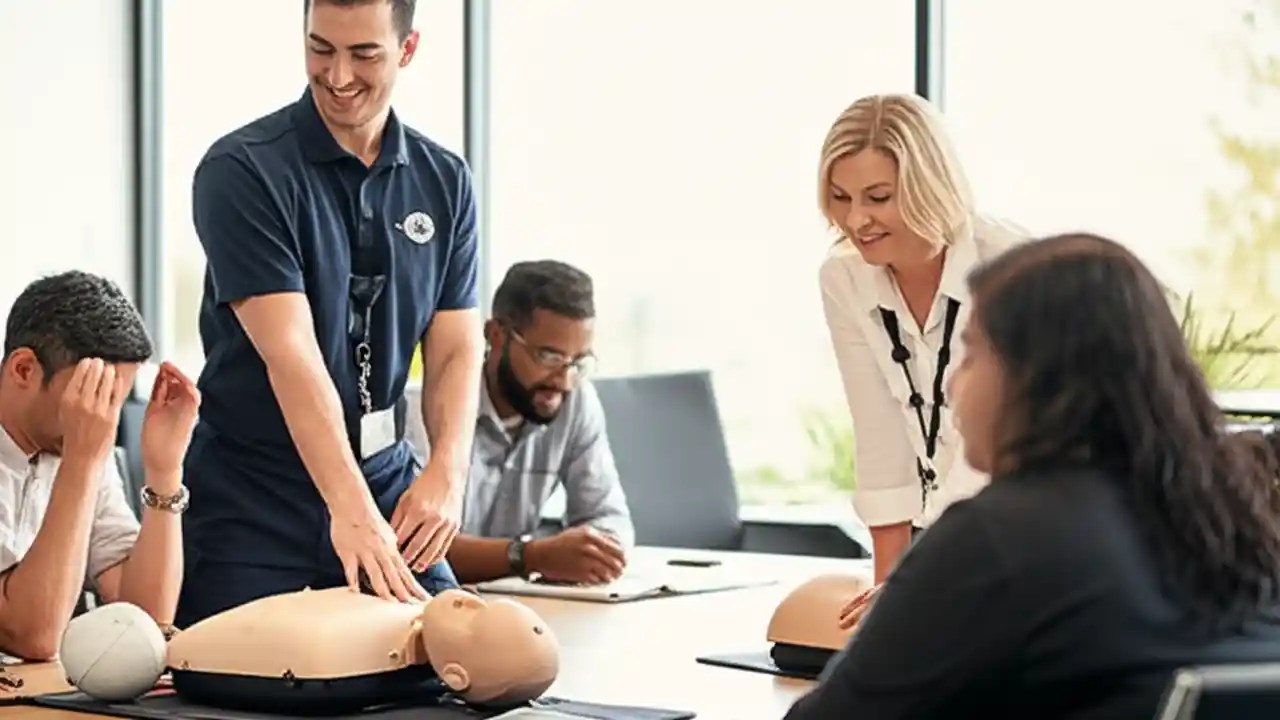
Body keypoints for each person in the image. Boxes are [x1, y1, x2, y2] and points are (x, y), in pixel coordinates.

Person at [785, 233, 1280, 718]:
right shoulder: (1236, 518)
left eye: (973, 355)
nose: (954, 384)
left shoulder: (999, 537)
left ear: (1035, 376)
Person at [176, 0, 482, 627]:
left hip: (386, 483)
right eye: (321, 49)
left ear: (407, 48)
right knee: (253, 683)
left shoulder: (445, 180)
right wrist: (350, 509)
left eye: (364, 54)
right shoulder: (241, 171)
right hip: (255, 496)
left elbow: (455, 347)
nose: (338, 75)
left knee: (480, 660)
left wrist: (447, 471)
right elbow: (292, 355)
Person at [815, 93, 1026, 626]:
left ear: (927, 185)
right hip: (952, 542)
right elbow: (880, 433)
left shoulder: (1010, 265)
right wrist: (887, 599)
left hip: (1026, 527)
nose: (856, 220)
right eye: (840, 197)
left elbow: (1002, 449)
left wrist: (920, 584)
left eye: (878, 197)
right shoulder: (843, 276)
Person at [0, 271, 200, 660]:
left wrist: (164, 471)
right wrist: (82, 463)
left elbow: (142, 622)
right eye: (91, 396)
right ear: (24, 370)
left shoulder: (77, 447)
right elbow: (33, 634)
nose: (101, 419)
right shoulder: (81, 450)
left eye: (114, 401)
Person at [407, 261, 635, 585]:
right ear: (496, 335)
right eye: (550, 357)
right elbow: (414, 548)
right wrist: (530, 556)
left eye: (578, 362)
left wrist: (596, 552)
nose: (564, 380)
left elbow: (609, 518)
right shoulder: (418, 414)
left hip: (524, 606)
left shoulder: (575, 403)